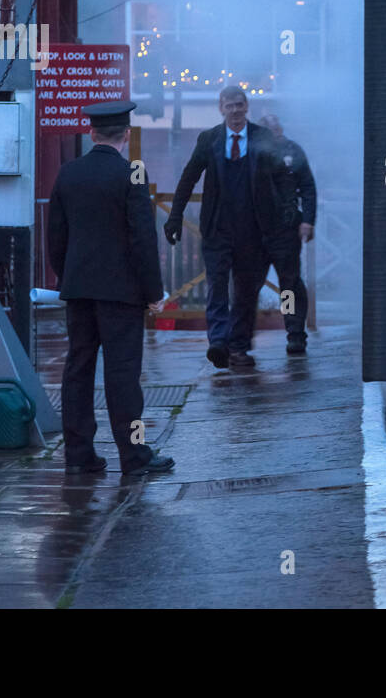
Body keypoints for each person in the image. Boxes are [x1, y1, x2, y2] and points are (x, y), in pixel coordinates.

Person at [47, 100, 174, 478]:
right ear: (127, 135)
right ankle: (133, 457)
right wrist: (154, 292)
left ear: (91, 134)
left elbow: (56, 238)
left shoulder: (68, 174)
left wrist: (70, 276)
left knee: (78, 370)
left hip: (79, 291)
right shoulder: (131, 174)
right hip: (121, 295)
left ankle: (79, 454)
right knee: (122, 375)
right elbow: (142, 241)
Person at [164, 86, 300, 369]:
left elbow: (283, 176)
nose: (235, 110)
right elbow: (188, 178)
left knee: (245, 291)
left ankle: (237, 347)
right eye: (230, 106)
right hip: (217, 228)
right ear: (221, 108)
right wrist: (175, 216)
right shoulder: (209, 139)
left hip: (253, 230)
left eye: (240, 105)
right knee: (216, 285)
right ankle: (218, 342)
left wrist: (290, 211)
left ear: (247, 106)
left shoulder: (262, 138)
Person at [257, 113, 315, 354]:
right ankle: (238, 337)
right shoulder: (251, 151)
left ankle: (294, 333)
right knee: (247, 282)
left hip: (286, 226)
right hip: (256, 226)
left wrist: (308, 221)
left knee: (289, 283)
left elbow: (308, 187)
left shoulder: (293, 151)